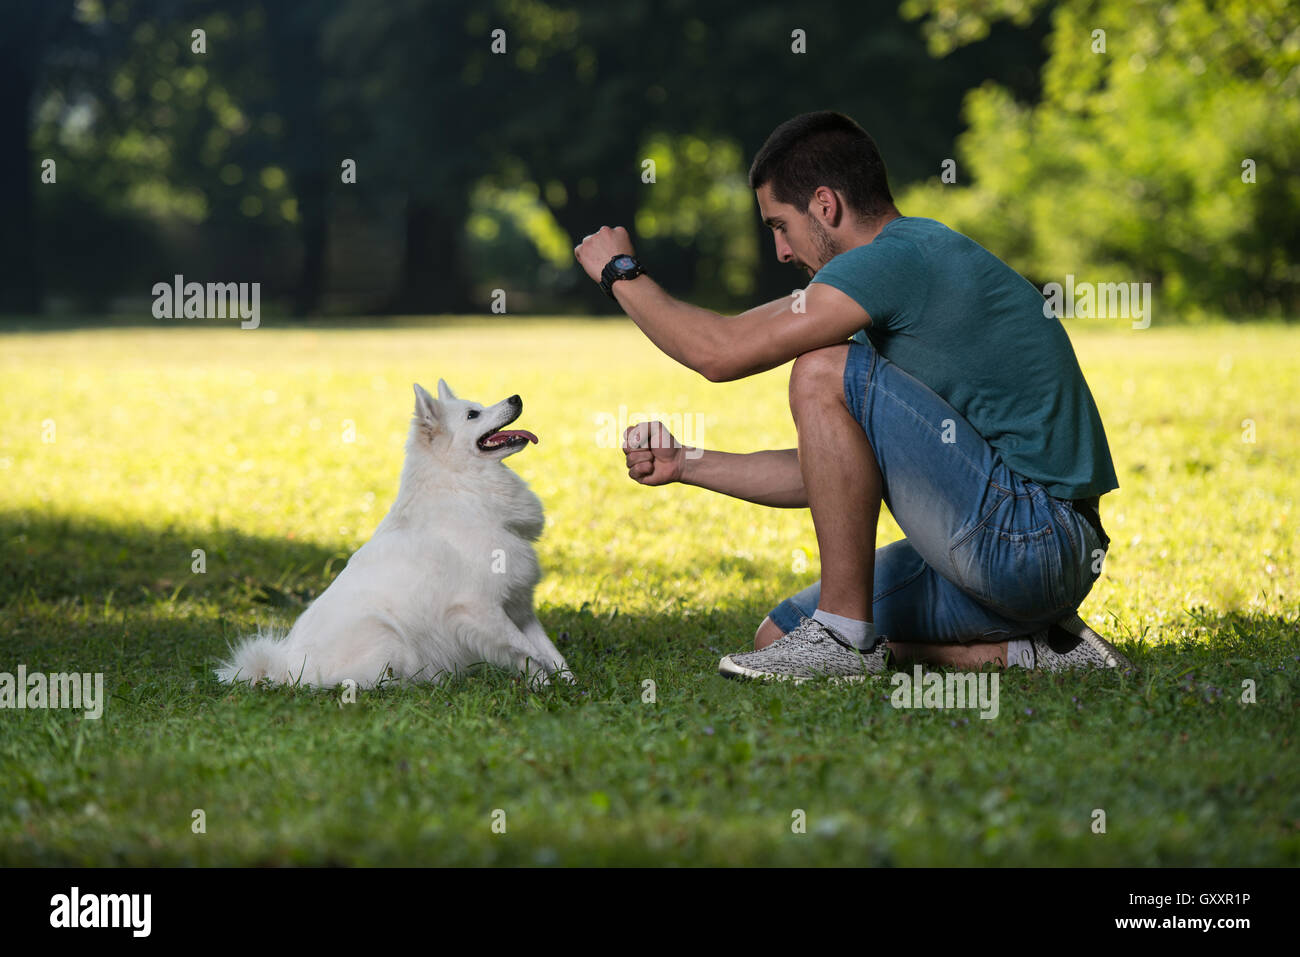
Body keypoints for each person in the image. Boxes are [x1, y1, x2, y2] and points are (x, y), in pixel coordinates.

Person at [573, 110, 1132, 681]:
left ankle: (843, 637)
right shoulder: (884, 285)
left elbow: (719, 352)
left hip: (1033, 539)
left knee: (818, 369)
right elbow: (837, 474)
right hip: (1020, 558)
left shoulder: (896, 260)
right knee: (779, 634)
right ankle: (1044, 654)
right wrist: (686, 463)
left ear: (824, 205)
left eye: (778, 225)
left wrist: (620, 272)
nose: (782, 252)